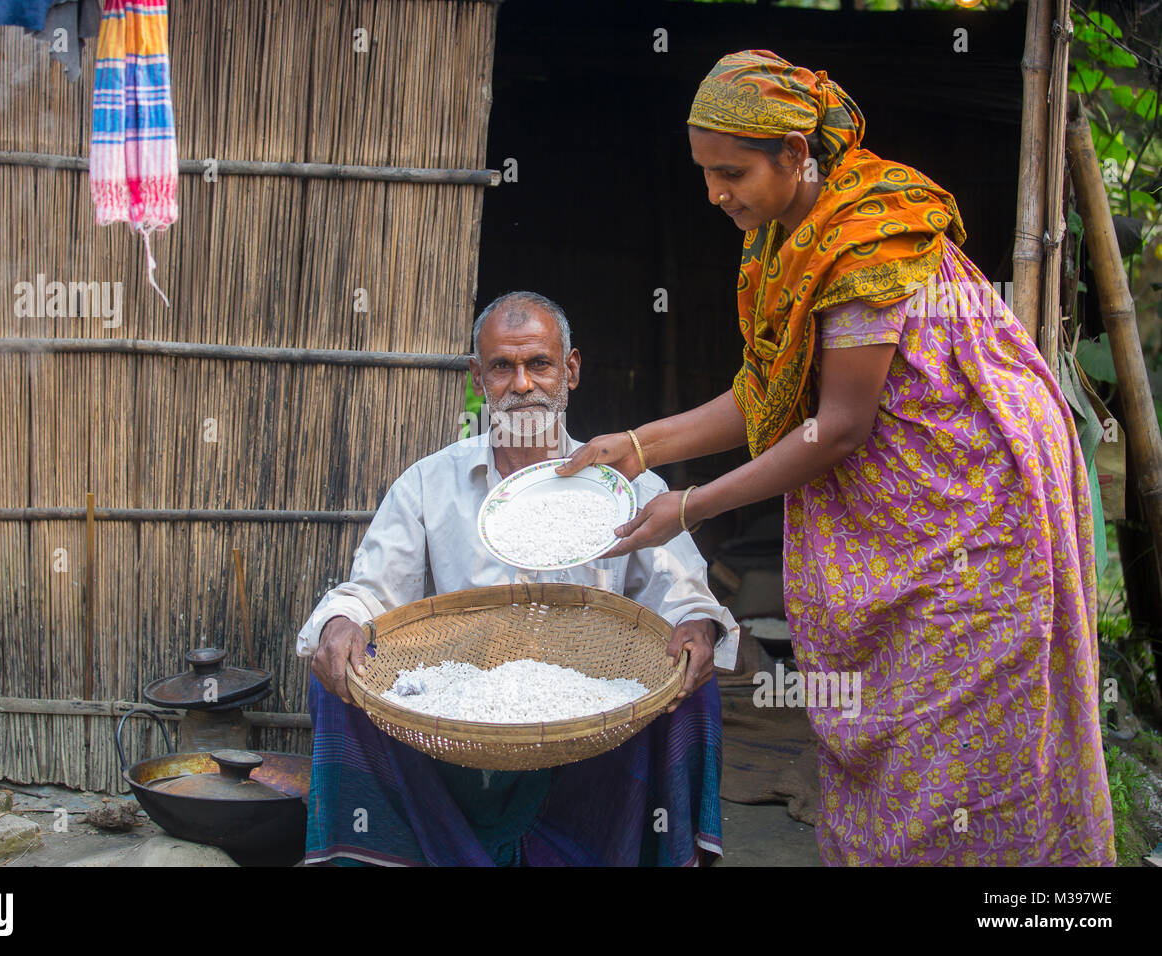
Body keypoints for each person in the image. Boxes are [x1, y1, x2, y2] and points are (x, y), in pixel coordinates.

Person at [559, 50, 1114, 866]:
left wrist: (690, 506)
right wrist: (639, 447)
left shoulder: (858, 247)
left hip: (974, 504)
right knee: (898, 735)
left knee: (955, 732)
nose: (715, 193)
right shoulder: (783, 237)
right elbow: (766, 392)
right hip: (910, 486)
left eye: (732, 172)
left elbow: (840, 427)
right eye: (705, 173)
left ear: (794, 153)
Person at [295, 291, 738, 866]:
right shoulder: (430, 483)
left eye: (540, 364)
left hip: (594, 719)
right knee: (339, 676)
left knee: (692, 687)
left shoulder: (623, 485)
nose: (523, 384)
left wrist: (697, 625)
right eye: (502, 367)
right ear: (478, 378)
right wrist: (341, 620)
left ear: (571, 370)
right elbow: (373, 589)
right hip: (458, 718)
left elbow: (681, 595)